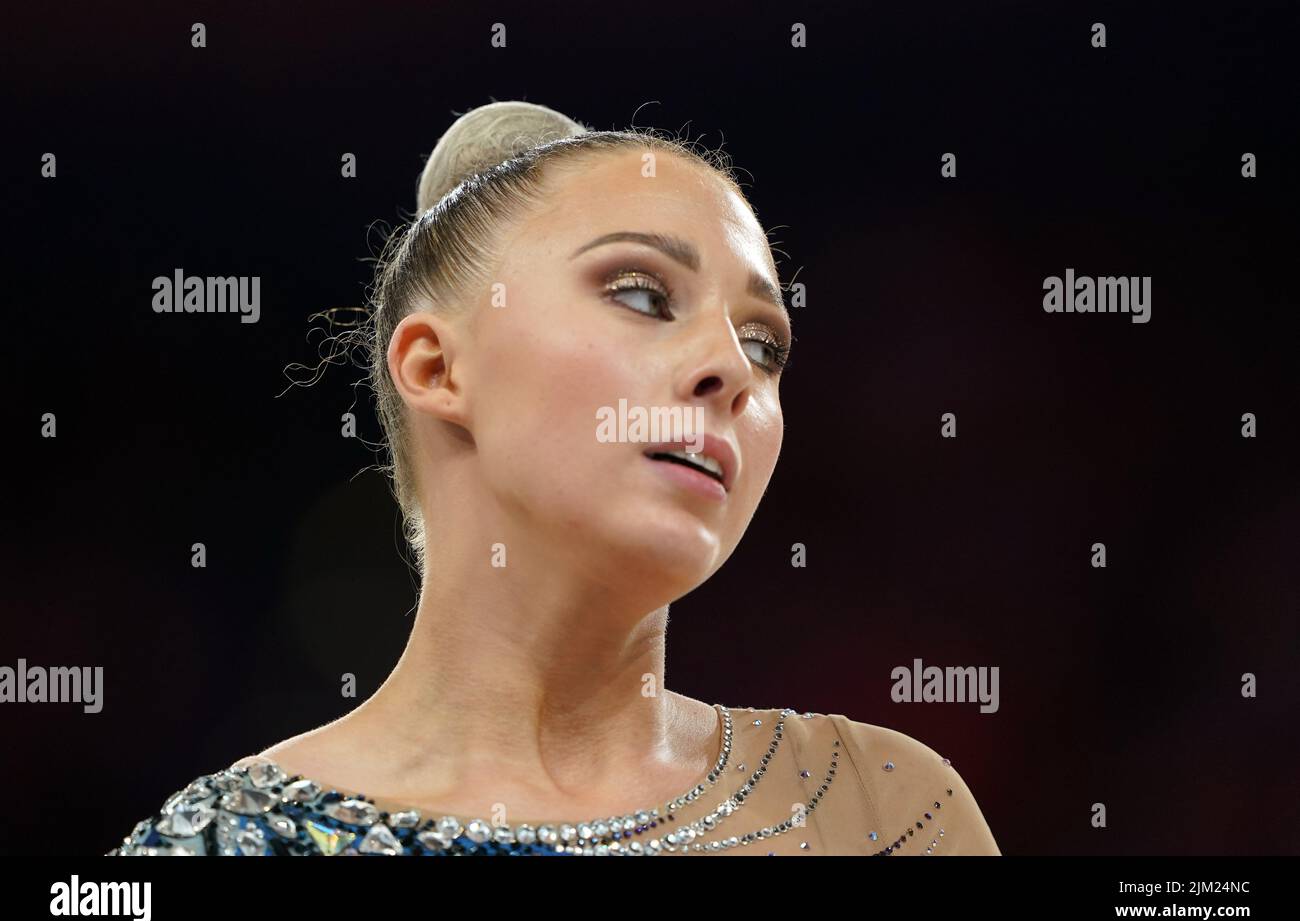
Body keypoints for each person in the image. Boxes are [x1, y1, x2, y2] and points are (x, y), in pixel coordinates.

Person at [106, 101, 1000, 856]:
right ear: (437, 368)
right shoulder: (221, 841)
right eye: (643, 294)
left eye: (764, 344)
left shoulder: (883, 809)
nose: (731, 366)